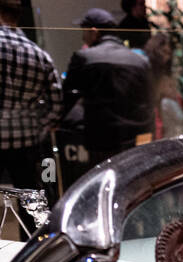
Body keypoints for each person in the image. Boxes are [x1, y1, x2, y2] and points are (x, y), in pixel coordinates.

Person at [61, 8, 154, 165]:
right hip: (136, 137)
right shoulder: (140, 60)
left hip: (102, 140)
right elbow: (149, 100)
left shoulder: (84, 58)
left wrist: (56, 120)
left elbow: (68, 97)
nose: (83, 36)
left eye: (83, 31)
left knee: (105, 183)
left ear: (93, 31)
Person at [0, 0, 62, 201]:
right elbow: (57, 105)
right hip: (26, 143)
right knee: (30, 201)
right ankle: (30, 234)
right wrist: (38, 127)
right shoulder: (39, 54)